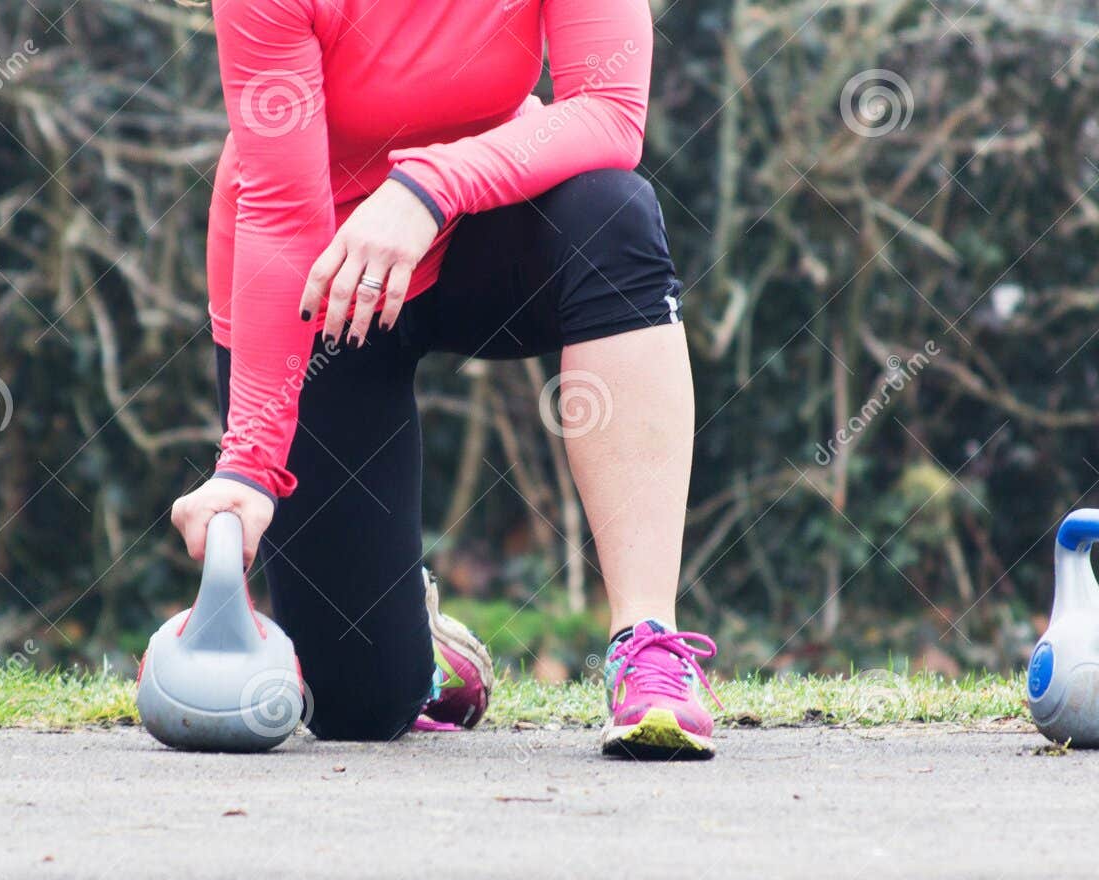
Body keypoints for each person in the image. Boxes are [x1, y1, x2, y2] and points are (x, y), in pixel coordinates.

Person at [170, 0, 718, 758]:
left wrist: (428, 187)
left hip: (481, 219)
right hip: (327, 277)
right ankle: (416, 635)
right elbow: (280, 212)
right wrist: (249, 463)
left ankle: (649, 648)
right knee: (362, 709)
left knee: (614, 212)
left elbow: (609, 113)